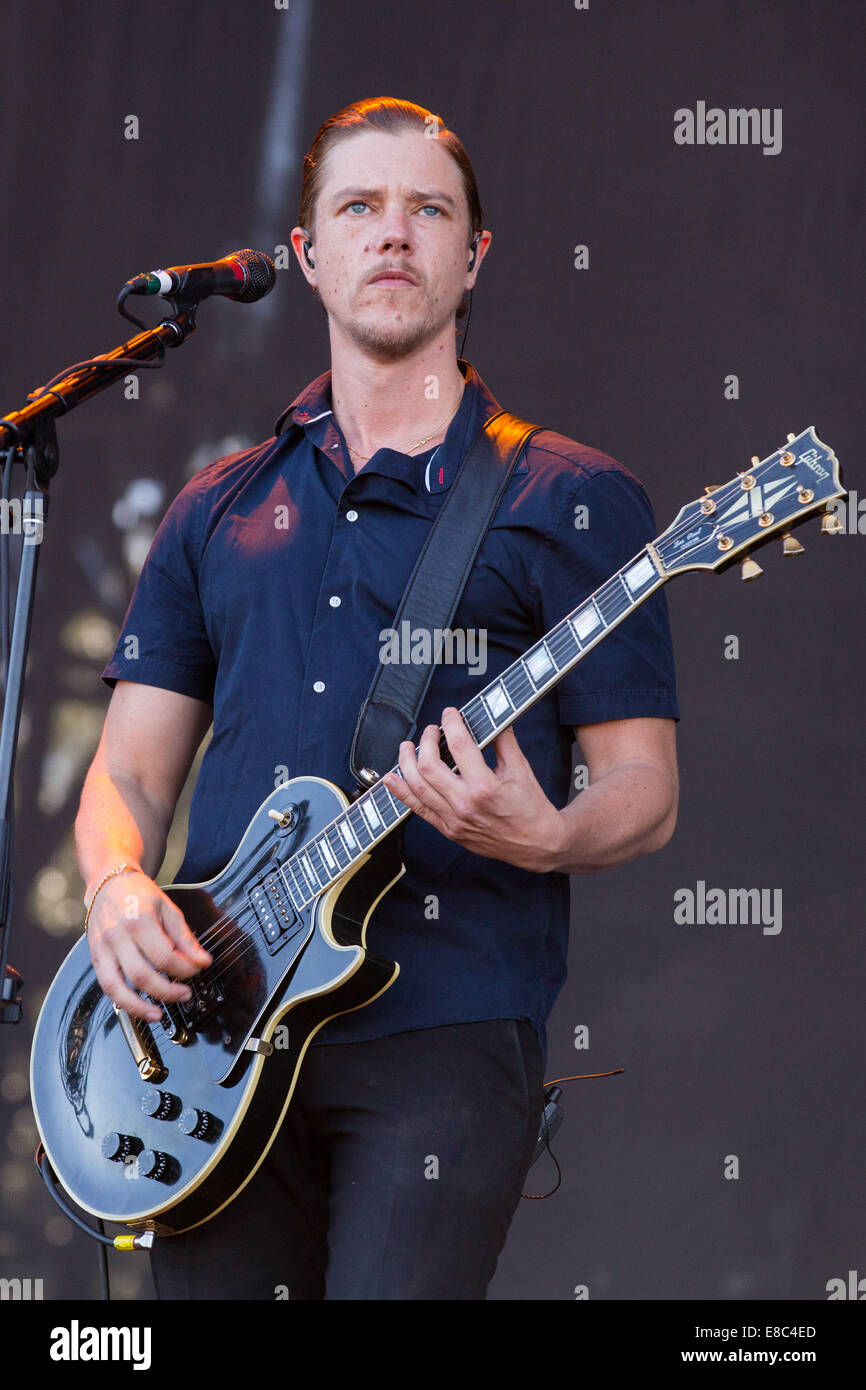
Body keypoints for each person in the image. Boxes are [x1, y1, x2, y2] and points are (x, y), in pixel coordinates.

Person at [75, 96, 680, 1300]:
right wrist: (114, 883)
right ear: (307, 255)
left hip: (442, 1036)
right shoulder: (215, 509)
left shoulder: (572, 497)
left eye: (427, 210)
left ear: (473, 257)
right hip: (215, 1036)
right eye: (358, 208)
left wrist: (548, 833)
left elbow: (644, 790)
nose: (392, 234)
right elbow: (129, 774)